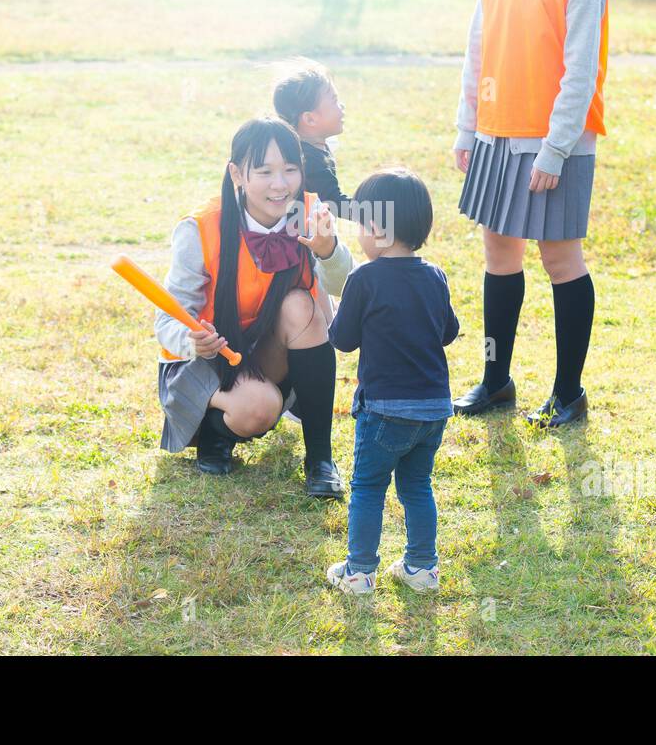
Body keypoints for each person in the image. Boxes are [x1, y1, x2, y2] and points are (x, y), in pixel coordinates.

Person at [452, 0, 609, 428]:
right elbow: (477, 48)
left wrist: (556, 148)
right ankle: (497, 382)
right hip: (495, 133)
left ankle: (568, 393)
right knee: (498, 253)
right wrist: (467, 127)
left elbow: (581, 67)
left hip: (554, 142)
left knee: (561, 258)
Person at [154, 117, 352, 497]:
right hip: (204, 358)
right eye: (264, 171)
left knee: (302, 305)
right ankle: (214, 430)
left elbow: (345, 288)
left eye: (290, 169)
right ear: (237, 174)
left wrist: (329, 252)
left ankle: (320, 460)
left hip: (265, 350)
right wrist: (192, 339)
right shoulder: (200, 228)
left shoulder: (310, 213)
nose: (280, 185)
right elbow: (167, 319)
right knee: (260, 408)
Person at [326, 169, 459, 594]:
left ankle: (360, 571)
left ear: (379, 229)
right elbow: (447, 332)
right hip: (433, 410)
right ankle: (422, 568)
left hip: (384, 409)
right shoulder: (435, 276)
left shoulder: (364, 279)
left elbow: (343, 341)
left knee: (368, 486)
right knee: (417, 485)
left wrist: (333, 311)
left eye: (362, 223)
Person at [272, 58, 355, 220]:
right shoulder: (308, 160)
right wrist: (379, 212)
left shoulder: (313, 146)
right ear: (310, 119)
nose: (341, 106)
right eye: (335, 101)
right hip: (298, 237)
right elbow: (333, 203)